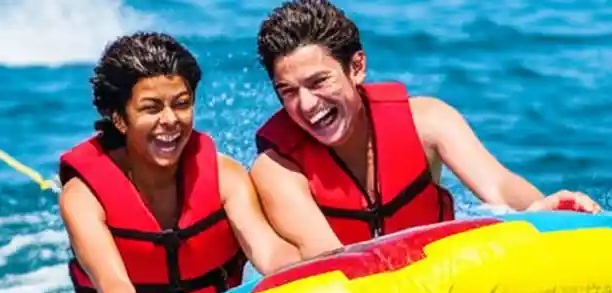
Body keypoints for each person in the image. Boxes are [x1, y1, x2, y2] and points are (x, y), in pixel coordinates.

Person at [20, 31, 301, 293]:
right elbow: (113, 283)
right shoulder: (85, 195)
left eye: (182, 104)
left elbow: (269, 251)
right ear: (120, 118)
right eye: (151, 108)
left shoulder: (224, 176)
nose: (170, 120)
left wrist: (323, 269)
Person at [249, 0, 600, 257]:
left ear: (356, 68)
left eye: (319, 82)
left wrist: (545, 208)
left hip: (442, 270)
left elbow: (497, 184)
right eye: (289, 92)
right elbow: (327, 258)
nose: (308, 105)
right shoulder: (277, 168)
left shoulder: (427, 121)